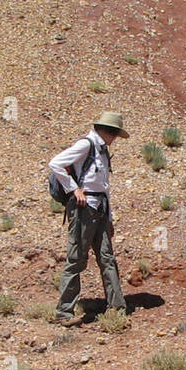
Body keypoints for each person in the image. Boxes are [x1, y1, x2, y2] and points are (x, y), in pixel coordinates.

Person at [50, 111, 130, 326]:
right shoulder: (86, 145)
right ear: (108, 131)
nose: (115, 139)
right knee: (76, 259)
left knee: (107, 258)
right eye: (114, 134)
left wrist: (110, 217)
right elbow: (55, 163)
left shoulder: (102, 151)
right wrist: (74, 189)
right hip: (84, 210)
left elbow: (104, 188)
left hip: (100, 210)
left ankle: (117, 308)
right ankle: (64, 312)